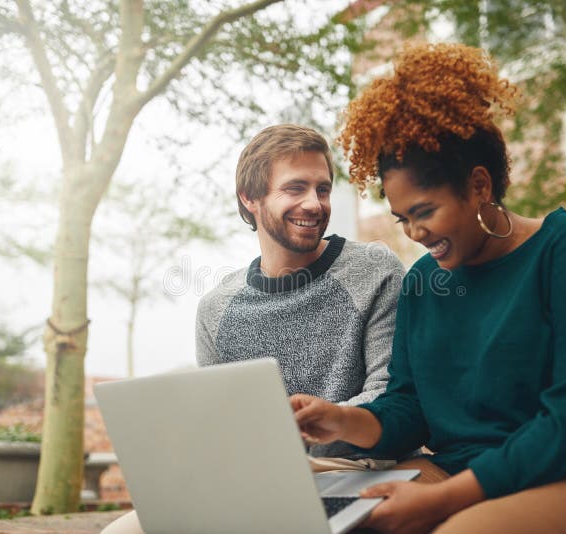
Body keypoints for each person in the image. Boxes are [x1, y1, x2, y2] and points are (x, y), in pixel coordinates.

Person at [291, 43, 566, 534]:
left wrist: (441, 500)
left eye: (424, 212)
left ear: (480, 185)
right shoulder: (422, 284)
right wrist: (342, 421)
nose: (414, 233)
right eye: (402, 219)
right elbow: (409, 408)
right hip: (463, 473)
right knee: (327, 514)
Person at [102, 124, 405, 534]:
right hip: (255, 483)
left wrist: (324, 421)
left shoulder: (374, 270)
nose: (314, 204)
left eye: (323, 189)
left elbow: (392, 392)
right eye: (295, 188)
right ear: (250, 197)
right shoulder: (216, 309)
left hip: (356, 469)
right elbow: (220, 424)